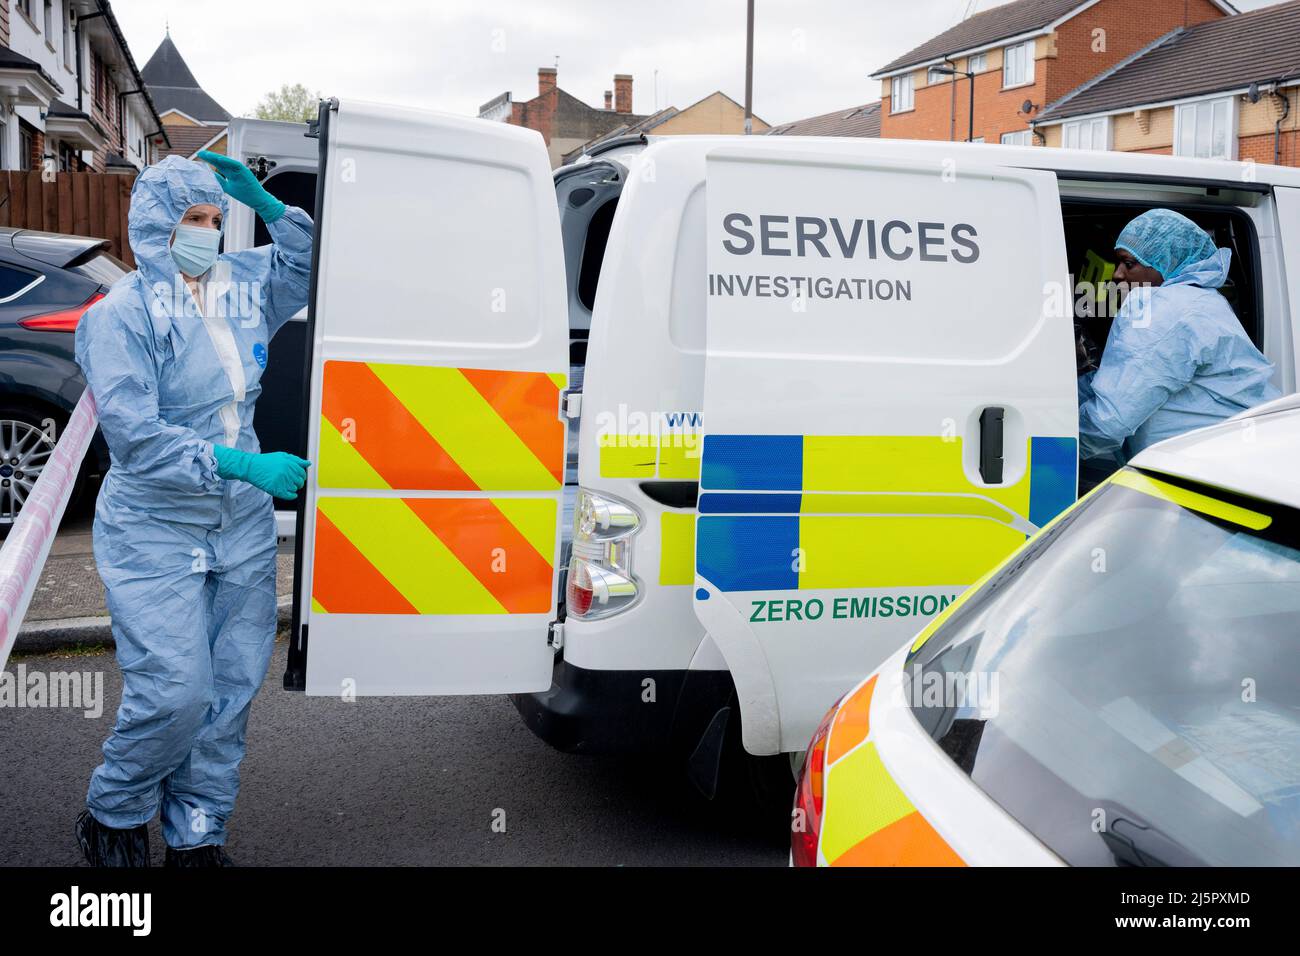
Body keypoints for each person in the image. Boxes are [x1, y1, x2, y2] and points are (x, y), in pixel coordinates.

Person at [72, 151, 313, 867]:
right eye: (192, 219)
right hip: (156, 528)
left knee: (229, 695)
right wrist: (243, 464)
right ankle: (113, 812)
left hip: (238, 526)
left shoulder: (240, 284)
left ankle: (198, 834)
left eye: (214, 219)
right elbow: (138, 440)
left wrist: (267, 207)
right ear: (155, 227)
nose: (206, 232)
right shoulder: (120, 317)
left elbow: (306, 265)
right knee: (176, 691)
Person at [1078, 208, 1280, 464]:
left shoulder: (1167, 310)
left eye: (1129, 263)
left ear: (1169, 261)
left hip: (1209, 471)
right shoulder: (1197, 302)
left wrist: (1052, 445)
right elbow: (1125, 378)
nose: (1117, 274)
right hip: (1233, 461)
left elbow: (1109, 422)